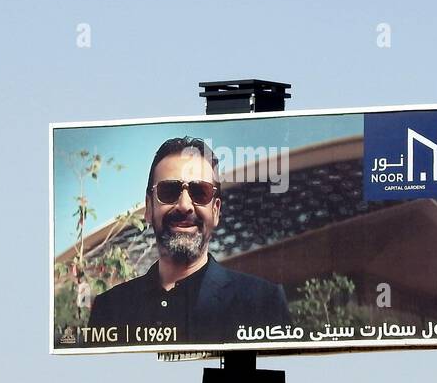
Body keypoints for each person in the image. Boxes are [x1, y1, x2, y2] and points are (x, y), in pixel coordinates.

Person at [89, 136, 292, 344]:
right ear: (149, 208)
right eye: (168, 191)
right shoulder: (110, 309)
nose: (184, 205)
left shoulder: (263, 303)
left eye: (200, 192)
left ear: (215, 211)